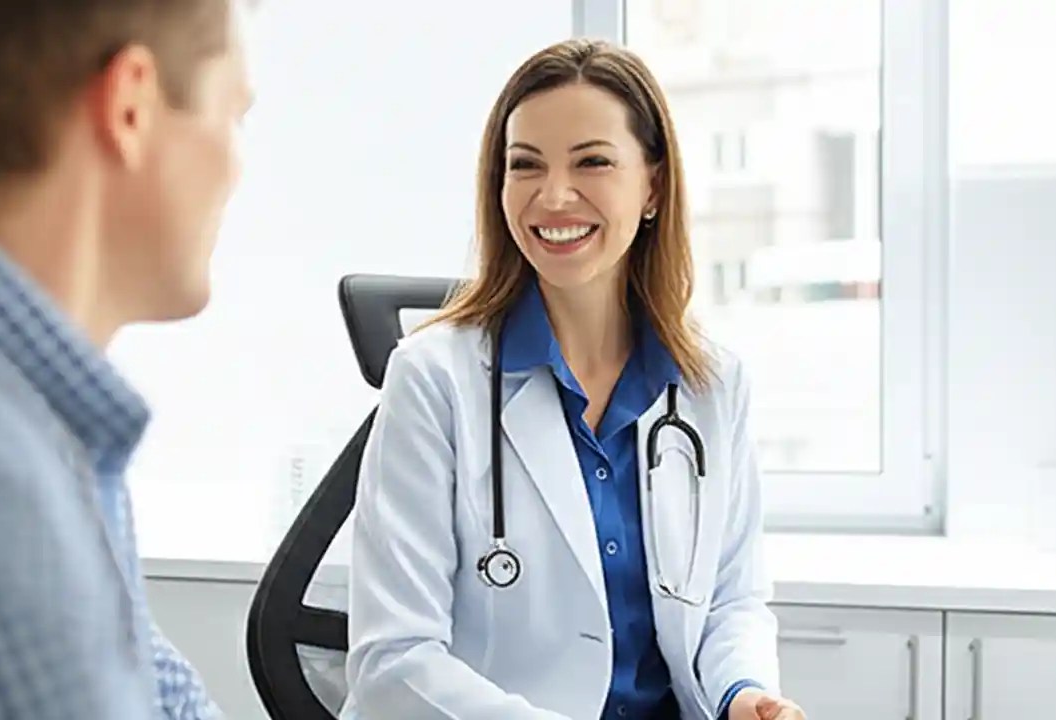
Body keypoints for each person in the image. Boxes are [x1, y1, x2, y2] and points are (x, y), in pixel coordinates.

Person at [343, 38, 805, 720]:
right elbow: (394, 661)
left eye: (592, 161)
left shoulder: (710, 383)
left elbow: (732, 601)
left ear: (653, 185)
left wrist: (743, 693)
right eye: (524, 166)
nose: (553, 196)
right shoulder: (433, 378)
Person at [0, 1, 253, 718]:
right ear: (132, 106)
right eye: (235, 116)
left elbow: (162, 697)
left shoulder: (42, 420)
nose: (237, 170)